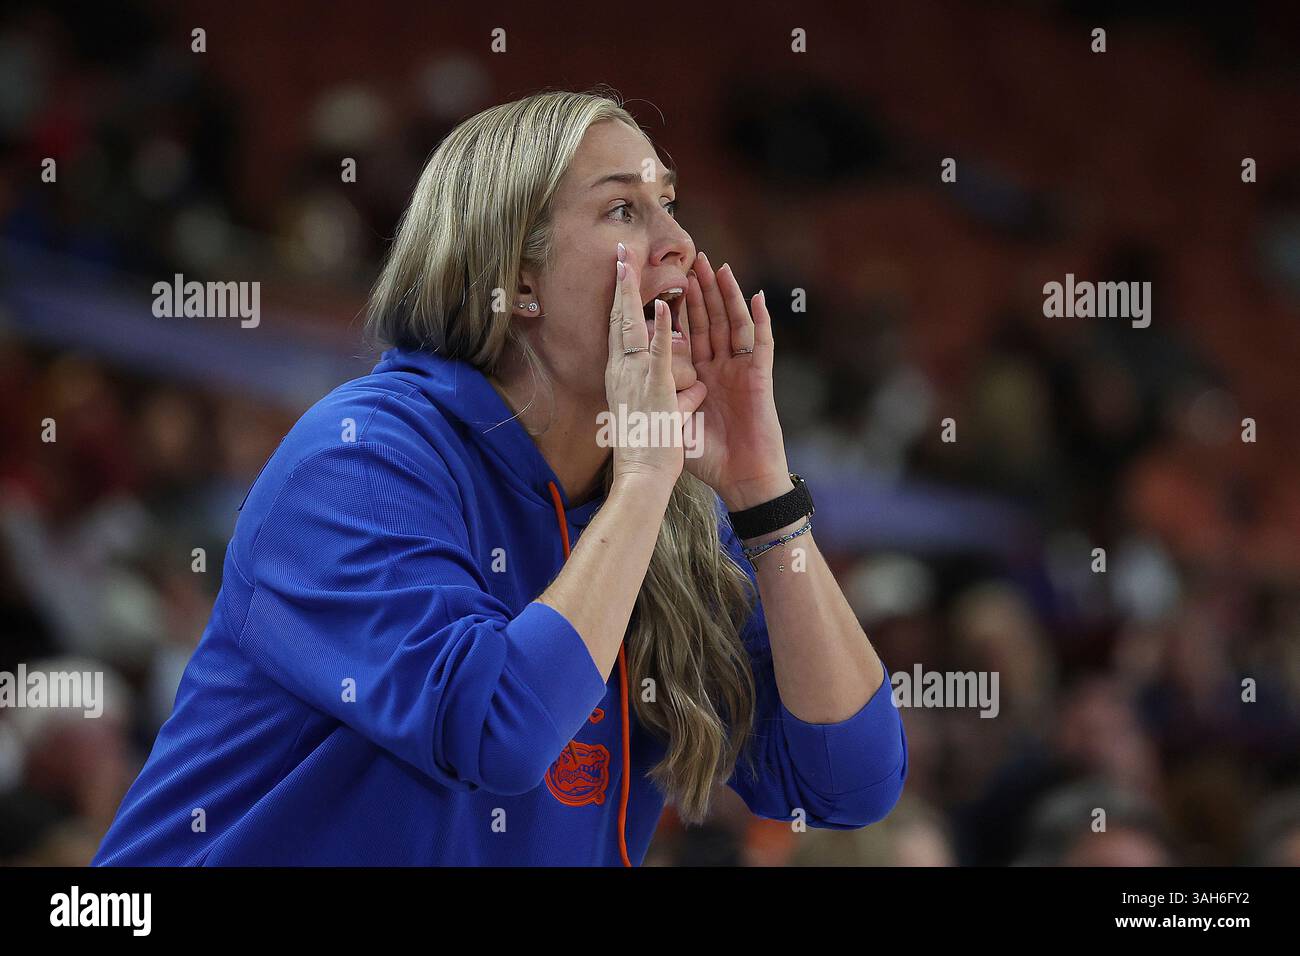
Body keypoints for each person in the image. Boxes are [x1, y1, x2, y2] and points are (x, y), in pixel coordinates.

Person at [93, 89, 907, 866]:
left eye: (672, 203)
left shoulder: (666, 507)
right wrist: (646, 477)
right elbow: (498, 731)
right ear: (516, 276)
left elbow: (849, 781)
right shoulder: (360, 458)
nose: (681, 245)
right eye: (625, 208)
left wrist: (764, 492)